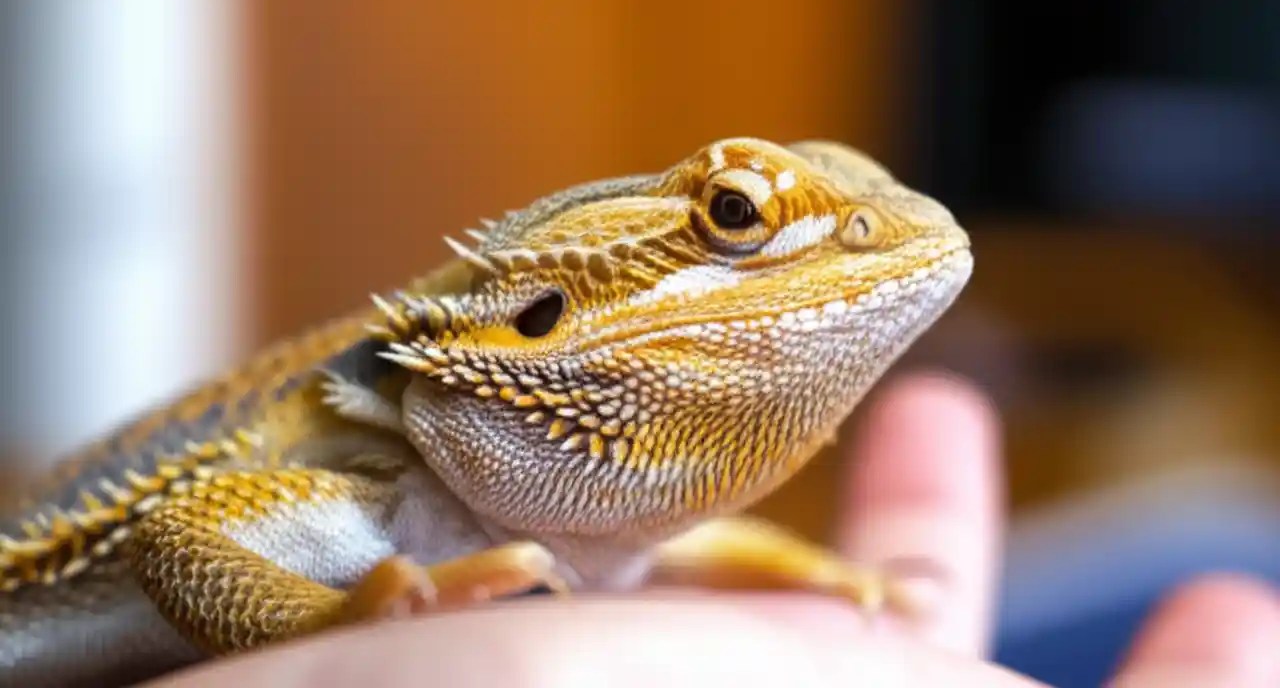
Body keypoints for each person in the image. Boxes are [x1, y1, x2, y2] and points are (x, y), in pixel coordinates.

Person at [148, 374, 1280, 687]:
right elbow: (179, 546)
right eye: (737, 218)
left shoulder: (581, 508)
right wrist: (349, 614)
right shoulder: (359, 490)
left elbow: (676, 552)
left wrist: (826, 577)